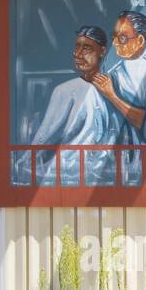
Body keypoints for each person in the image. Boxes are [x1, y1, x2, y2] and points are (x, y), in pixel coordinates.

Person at [91, 10, 146, 185]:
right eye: (114, 37)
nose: (115, 44)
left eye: (122, 38)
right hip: (122, 165)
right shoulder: (116, 69)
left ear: (140, 41)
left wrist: (112, 96)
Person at [30, 26, 120, 185]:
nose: (77, 54)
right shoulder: (65, 91)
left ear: (102, 51)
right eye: (76, 47)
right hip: (68, 177)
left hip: (105, 177)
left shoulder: (115, 89)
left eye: (86, 48)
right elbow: (44, 137)